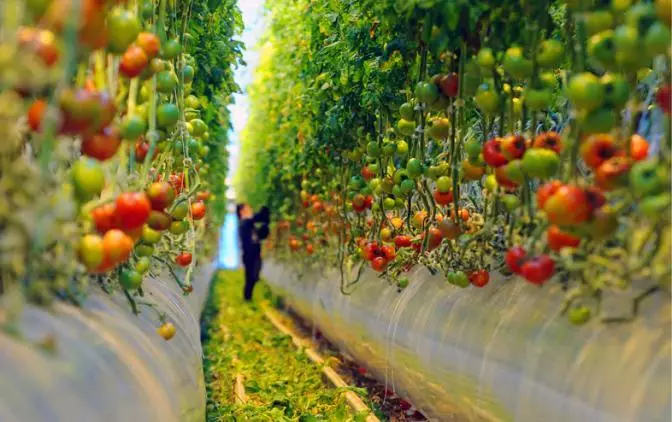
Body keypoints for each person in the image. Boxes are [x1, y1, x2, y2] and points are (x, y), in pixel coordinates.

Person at [237, 203, 270, 301]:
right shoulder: (244, 223)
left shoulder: (250, 224)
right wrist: (263, 212)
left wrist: (264, 228)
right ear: (242, 211)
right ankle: (247, 298)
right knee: (251, 277)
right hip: (249, 255)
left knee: (253, 277)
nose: (251, 210)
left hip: (255, 254)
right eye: (248, 209)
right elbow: (254, 218)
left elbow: (258, 235)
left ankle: (248, 297)